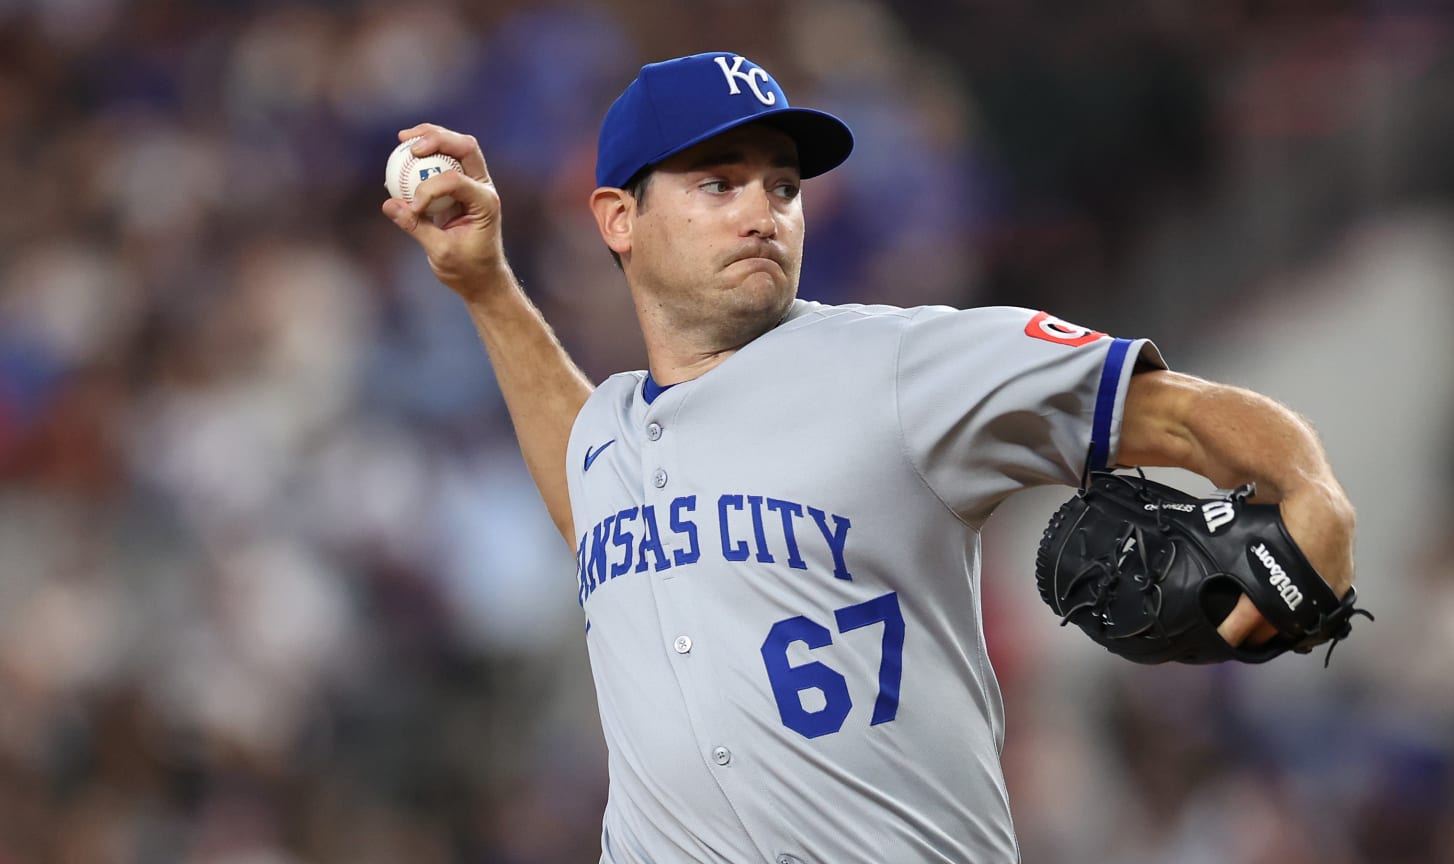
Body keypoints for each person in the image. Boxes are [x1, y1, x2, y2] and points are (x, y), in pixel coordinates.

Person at [382, 52, 1356, 864]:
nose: (763, 210)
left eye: (783, 185)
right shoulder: (616, 435)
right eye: (718, 183)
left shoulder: (899, 363)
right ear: (618, 221)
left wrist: (1311, 491)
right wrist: (486, 286)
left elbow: (1184, 418)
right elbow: (582, 488)